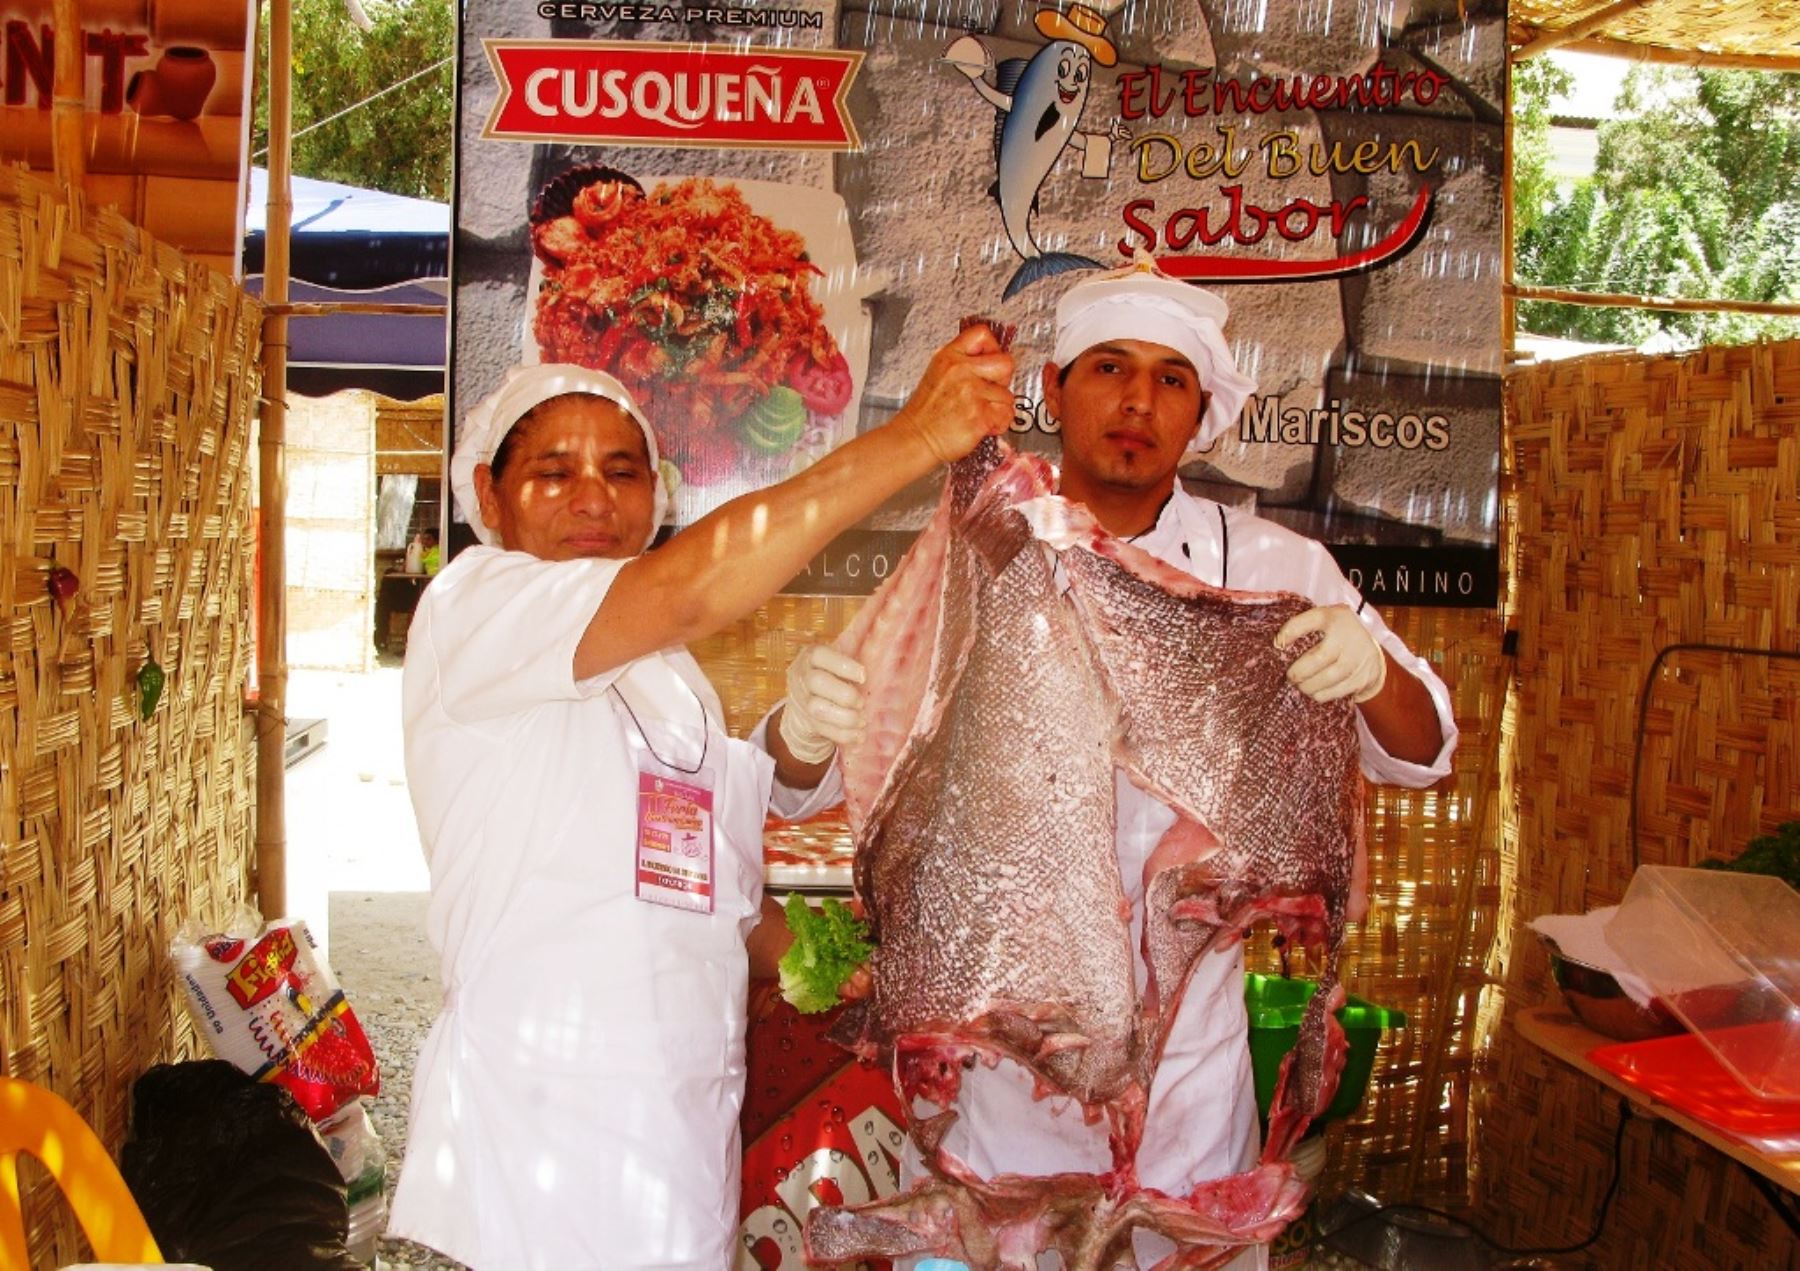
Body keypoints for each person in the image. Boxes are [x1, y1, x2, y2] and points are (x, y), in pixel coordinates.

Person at [767, 257, 1459, 1268]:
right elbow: (803, 782)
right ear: (1055, 389)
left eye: (1171, 379)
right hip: (1003, 1077)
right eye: (1109, 368)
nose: (1138, 400)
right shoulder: (977, 545)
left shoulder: (1276, 567)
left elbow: (1425, 747)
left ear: (1200, 414)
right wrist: (801, 731)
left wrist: (1370, 671)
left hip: (1189, 1093)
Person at [386, 328, 1015, 1270]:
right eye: (554, 472)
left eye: (621, 471)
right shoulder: (477, 604)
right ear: (489, 493)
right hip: (537, 1152)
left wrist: (799, 751)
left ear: (657, 494)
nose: (593, 496)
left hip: (677, 1149)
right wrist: (917, 437)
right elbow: (690, 590)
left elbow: (706, 887)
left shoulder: (667, 674)